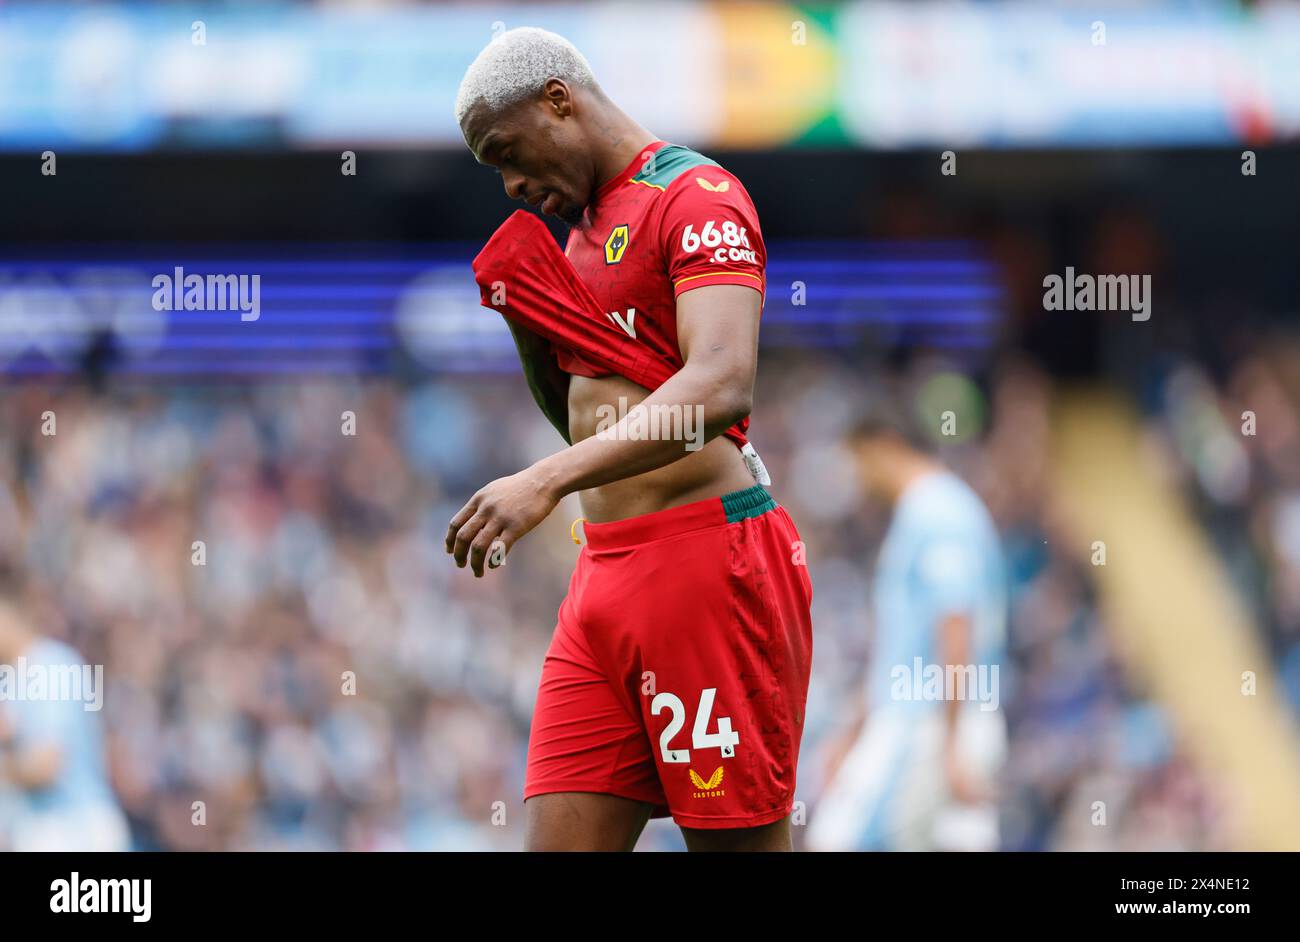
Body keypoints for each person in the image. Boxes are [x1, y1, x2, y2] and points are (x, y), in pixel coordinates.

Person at [447, 27, 812, 851]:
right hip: (605, 573)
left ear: (559, 101)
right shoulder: (579, 236)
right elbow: (598, 417)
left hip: (707, 567)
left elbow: (720, 386)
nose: (509, 183)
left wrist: (545, 480)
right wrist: (531, 331)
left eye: (508, 152)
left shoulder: (698, 195)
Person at [808, 405, 1007, 851]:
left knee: (840, 841)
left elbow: (957, 623)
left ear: (883, 447)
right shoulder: (936, 509)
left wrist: (952, 741)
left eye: (858, 461)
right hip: (941, 717)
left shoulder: (936, 512)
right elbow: (901, 642)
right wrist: (854, 730)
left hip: (926, 723)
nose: (858, 479)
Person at [0, 596, 130, 851]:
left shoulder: (49, 666)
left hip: (73, 830)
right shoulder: (11, 675)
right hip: (41, 829)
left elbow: (47, 764)